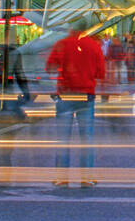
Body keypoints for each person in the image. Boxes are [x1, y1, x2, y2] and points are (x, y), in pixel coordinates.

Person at [45, 20, 105, 187]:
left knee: (63, 138)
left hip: (65, 95)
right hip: (86, 95)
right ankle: (86, 177)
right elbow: (101, 73)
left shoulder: (62, 44)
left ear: (71, 28)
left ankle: (62, 178)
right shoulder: (94, 46)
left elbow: (49, 67)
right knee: (87, 137)